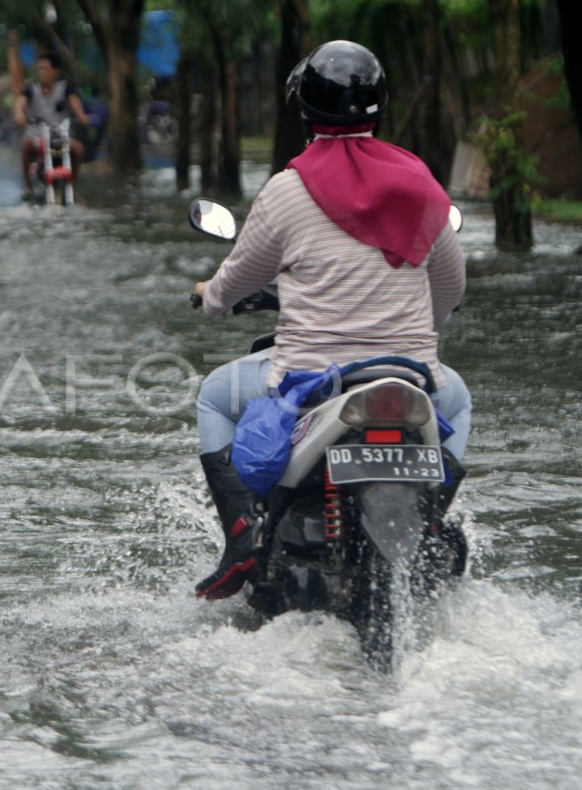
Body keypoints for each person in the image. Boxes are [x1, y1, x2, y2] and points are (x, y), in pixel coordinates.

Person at [190, 40, 472, 601]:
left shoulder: (287, 192)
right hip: (406, 375)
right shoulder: (422, 186)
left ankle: (243, 535)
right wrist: (421, 340)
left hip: (313, 379)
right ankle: (433, 519)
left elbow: (238, 278)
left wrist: (210, 296)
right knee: (457, 398)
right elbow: (451, 287)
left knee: (215, 396)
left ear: (305, 111)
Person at [12, 52, 92, 199]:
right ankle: (28, 185)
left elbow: (75, 103)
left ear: (55, 71)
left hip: (60, 136)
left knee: (78, 149)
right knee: (26, 144)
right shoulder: (31, 88)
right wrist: (19, 114)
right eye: (39, 68)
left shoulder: (66, 87)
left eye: (45, 68)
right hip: (37, 135)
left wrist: (82, 117)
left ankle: (71, 185)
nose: (41, 72)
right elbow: (20, 103)